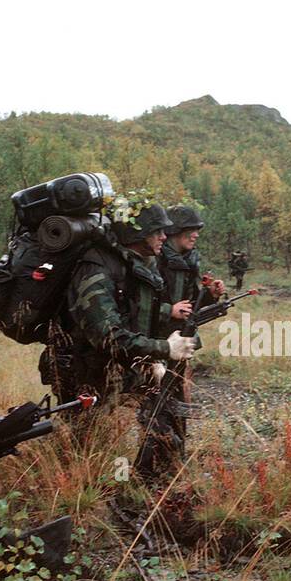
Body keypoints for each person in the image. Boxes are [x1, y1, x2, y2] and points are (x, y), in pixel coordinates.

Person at [58, 202, 196, 426]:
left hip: (121, 365)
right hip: (86, 370)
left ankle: (160, 459)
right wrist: (165, 348)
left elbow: (137, 317)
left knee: (165, 416)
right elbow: (109, 338)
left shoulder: (135, 265)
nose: (164, 236)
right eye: (157, 231)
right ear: (138, 234)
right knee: (87, 440)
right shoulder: (97, 269)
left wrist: (153, 359)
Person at [135, 205, 223, 477]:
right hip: (153, 342)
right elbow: (136, 303)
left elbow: (190, 303)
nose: (195, 234)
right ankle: (149, 467)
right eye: (190, 229)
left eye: (197, 229)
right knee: (156, 402)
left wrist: (209, 295)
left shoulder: (188, 261)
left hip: (179, 342)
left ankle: (173, 459)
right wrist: (167, 310)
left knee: (175, 399)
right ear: (174, 231)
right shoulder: (155, 258)